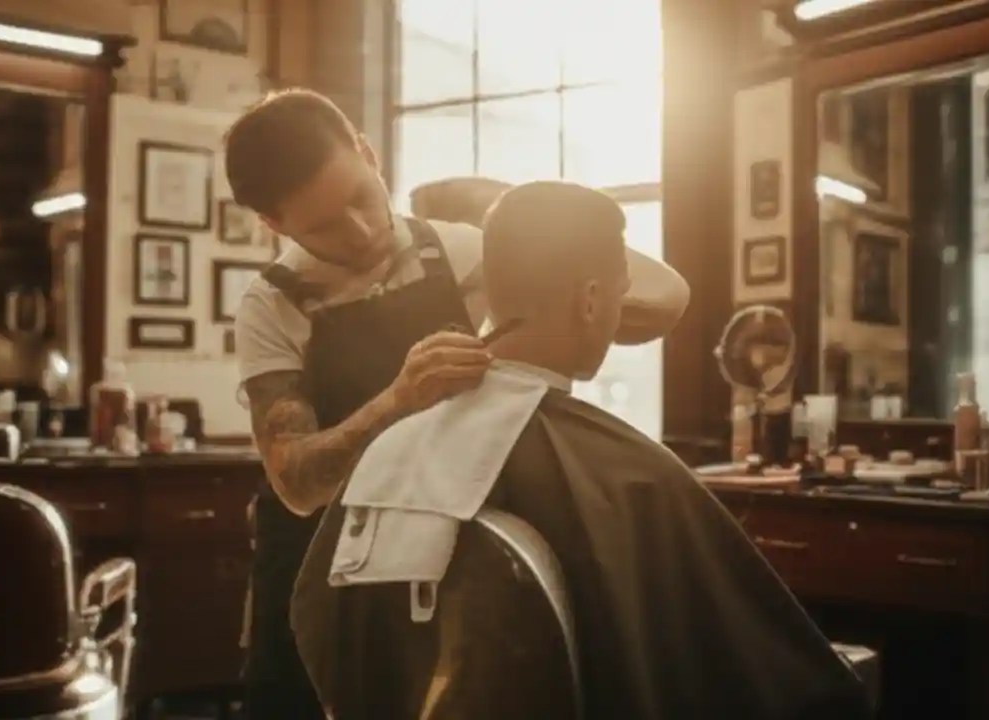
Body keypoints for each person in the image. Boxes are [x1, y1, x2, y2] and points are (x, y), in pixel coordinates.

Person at [291, 182, 872, 718]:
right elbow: (775, 681)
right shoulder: (635, 475)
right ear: (591, 301)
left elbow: (317, 619)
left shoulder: (392, 448)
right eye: (617, 297)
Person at [225, 90, 690, 718]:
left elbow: (664, 299)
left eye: (361, 197)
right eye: (324, 225)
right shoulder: (271, 305)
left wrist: (509, 209)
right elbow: (297, 483)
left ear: (368, 153)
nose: (361, 232)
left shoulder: (460, 251)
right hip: (324, 575)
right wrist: (397, 400)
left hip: (446, 562)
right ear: (277, 226)